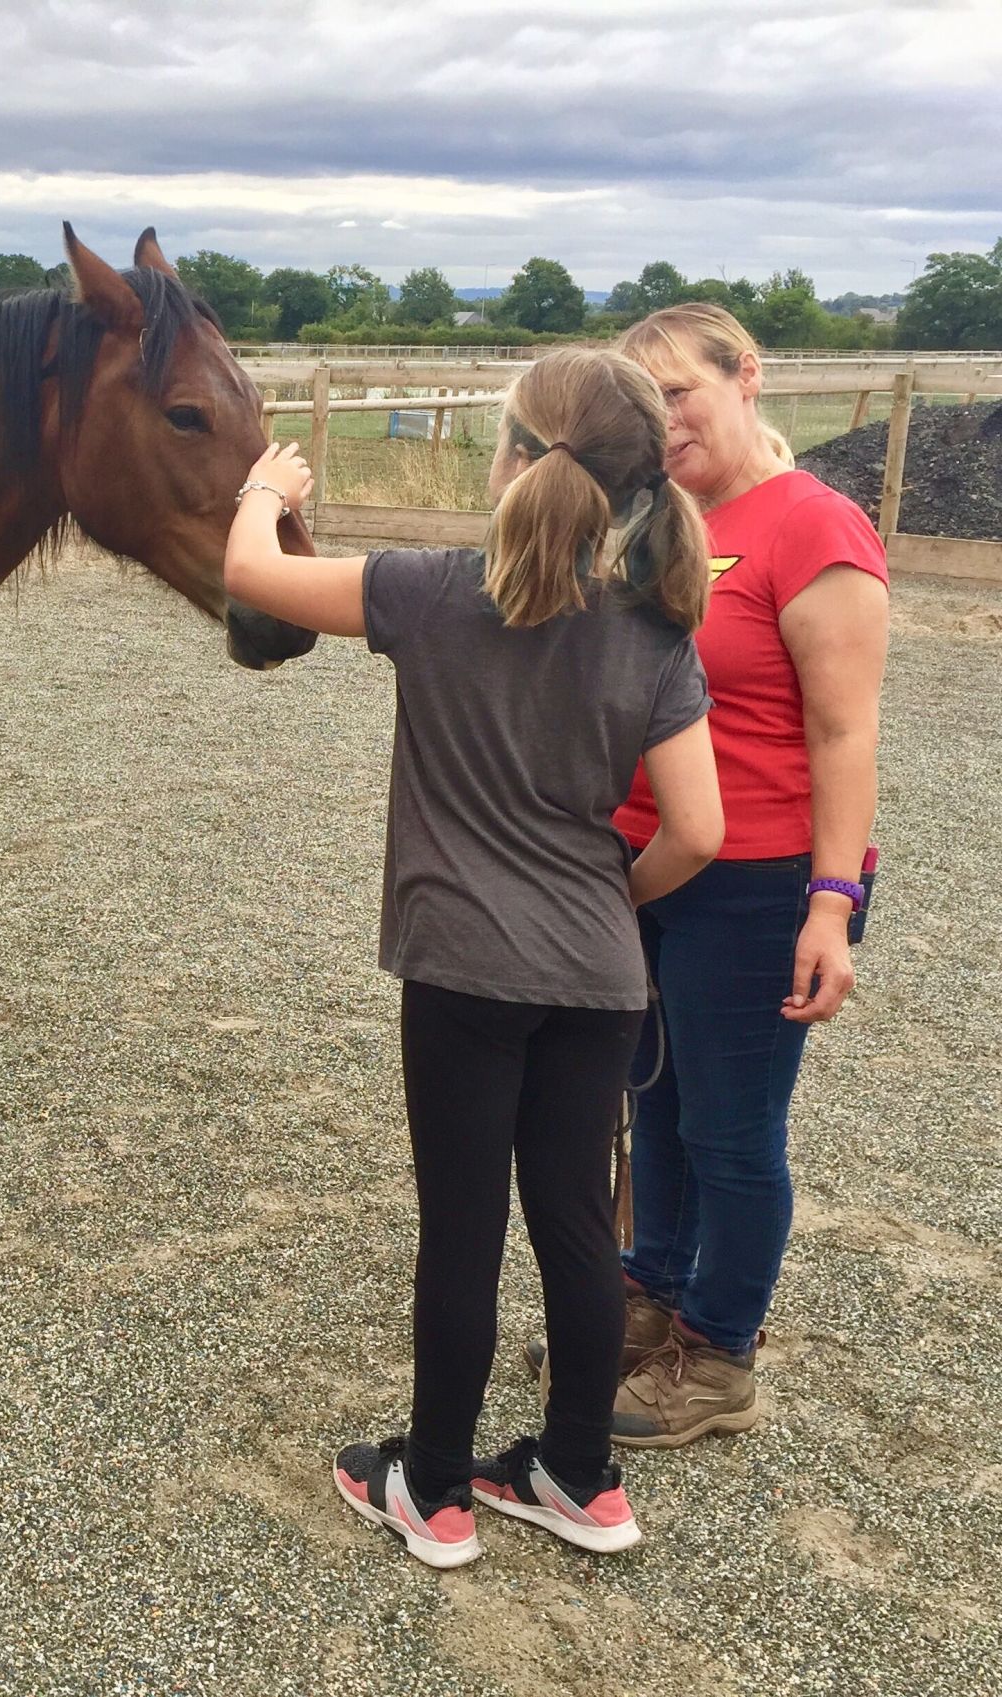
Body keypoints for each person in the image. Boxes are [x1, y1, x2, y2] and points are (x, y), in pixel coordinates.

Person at [222, 348, 723, 1568]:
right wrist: (611, 892)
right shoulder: (657, 628)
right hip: (596, 977)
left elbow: (251, 578)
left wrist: (263, 487)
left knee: (461, 1228)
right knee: (572, 1223)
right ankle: (576, 1473)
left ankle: (435, 1484)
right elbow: (699, 830)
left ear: (514, 459)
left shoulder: (436, 592)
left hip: (463, 968)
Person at [591, 304, 890, 1447]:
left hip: (758, 875)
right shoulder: (661, 521)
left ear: (747, 376)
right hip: (652, 863)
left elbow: (843, 734)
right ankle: (651, 1295)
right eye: (642, 402)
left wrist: (833, 900)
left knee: (731, 1127)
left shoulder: (815, 528)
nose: (664, 423)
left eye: (679, 393)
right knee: (653, 1104)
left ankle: (718, 1352)